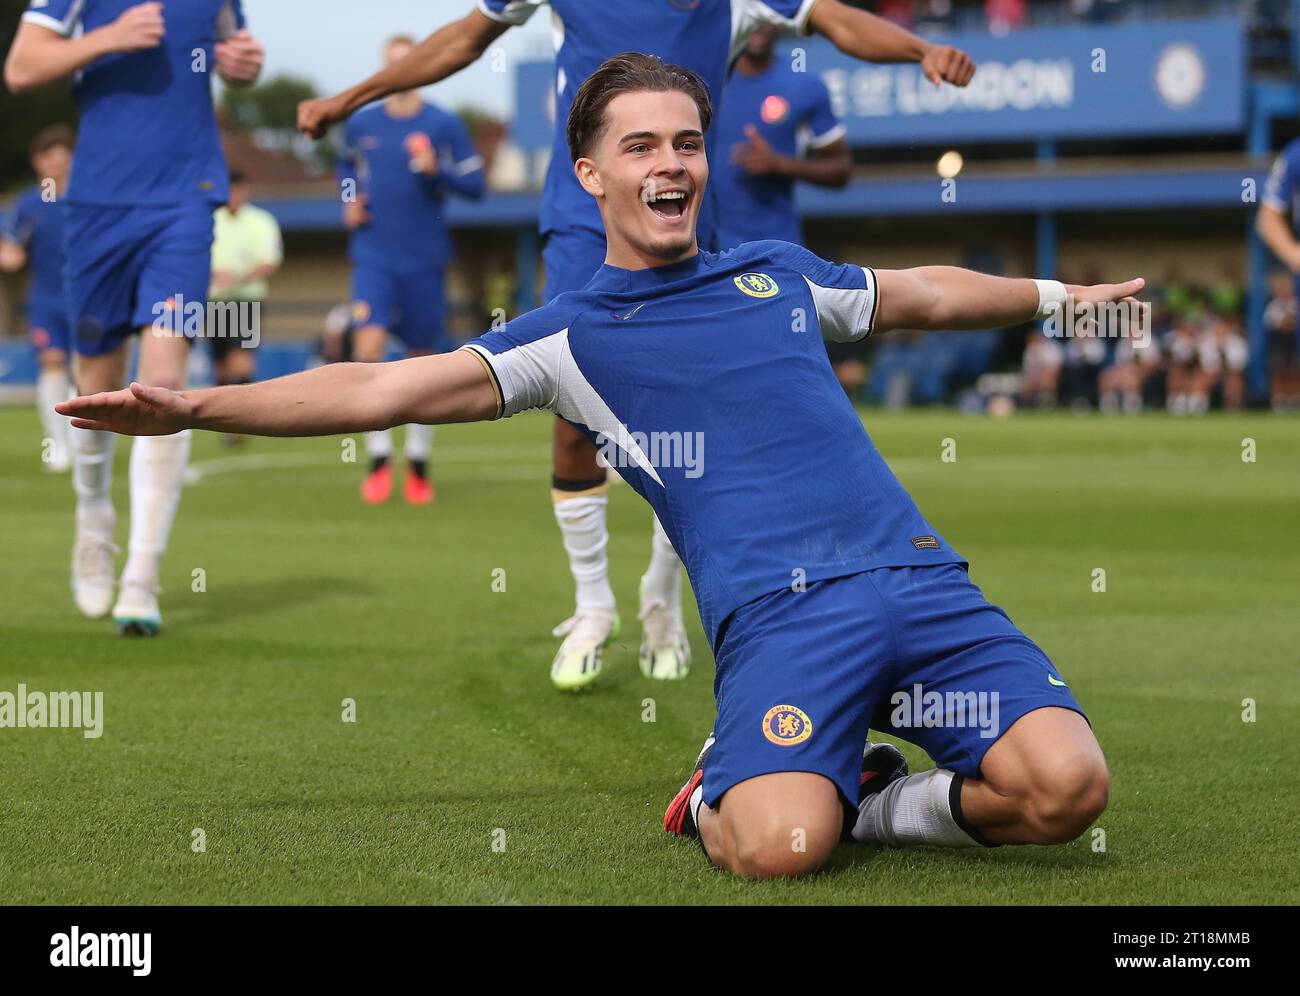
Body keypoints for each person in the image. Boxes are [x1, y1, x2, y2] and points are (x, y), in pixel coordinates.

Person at [63, 55, 1134, 879]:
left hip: (919, 582)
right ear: (591, 175)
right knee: (776, 851)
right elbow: (381, 389)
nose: (670, 163)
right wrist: (194, 403)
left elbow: (925, 294)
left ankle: (874, 804)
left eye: (686, 142)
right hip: (783, 618)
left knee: (1063, 791)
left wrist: (1053, 298)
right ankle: (760, 789)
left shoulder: (778, 273)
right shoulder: (565, 337)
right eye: (640, 147)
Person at [297, 0, 976, 691]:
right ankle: (593, 607)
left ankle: (660, 598)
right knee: (569, 421)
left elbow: (832, 17)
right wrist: (351, 98)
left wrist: (916, 50)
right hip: (580, 226)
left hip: (685, 235)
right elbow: (463, 39)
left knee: (691, 424)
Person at [5, 0, 264, 634]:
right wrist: (110, 38)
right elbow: (21, 66)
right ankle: (94, 514)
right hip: (98, 202)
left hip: (185, 201)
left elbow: (237, 51)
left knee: (162, 385)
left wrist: (244, 66)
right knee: (94, 385)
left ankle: (141, 577)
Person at [337, 35, 486, 506]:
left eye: (409, 63)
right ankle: (379, 456)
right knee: (368, 344)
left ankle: (418, 462)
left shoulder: (442, 123)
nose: (400, 72)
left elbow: (476, 185)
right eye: (391, 65)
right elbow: (345, 170)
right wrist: (348, 202)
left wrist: (435, 169)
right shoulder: (361, 124)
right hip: (373, 256)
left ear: (423, 66)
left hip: (424, 257)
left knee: (423, 360)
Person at [0, 125, 75, 472]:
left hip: (87, 299)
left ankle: (80, 441)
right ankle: (58, 446)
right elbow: (10, 247)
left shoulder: (90, 200)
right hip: (45, 299)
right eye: (50, 157)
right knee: (52, 363)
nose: (56, 165)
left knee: (84, 372)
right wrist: (9, 255)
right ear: (38, 162)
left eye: (62, 157)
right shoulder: (30, 204)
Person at [208, 168, 283, 441]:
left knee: (241, 363)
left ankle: (242, 423)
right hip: (216, 302)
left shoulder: (261, 222)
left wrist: (237, 276)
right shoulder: (211, 220)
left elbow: (269, 262)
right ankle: (225, 420)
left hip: (246, 301)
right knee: (221, 367)